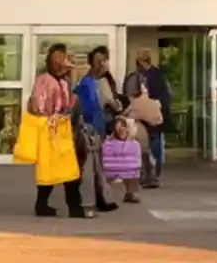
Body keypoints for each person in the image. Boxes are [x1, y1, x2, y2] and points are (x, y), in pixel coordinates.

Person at [27, 43, 87, 217]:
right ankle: (72, 207)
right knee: (61, 170)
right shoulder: (44, 80)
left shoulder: (64, 81)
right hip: (50, 130)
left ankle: (46, 205)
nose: (63, 60)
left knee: (60, 169)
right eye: (60, 57)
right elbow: (39, 105)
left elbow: (69, 105)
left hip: (61, 129)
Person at [72, 55, 118, 213]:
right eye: (103, 62)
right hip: (89, 128)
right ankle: (89, 200)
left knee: (94, 165)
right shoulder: (87, 83)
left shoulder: (92, 82)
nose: (106, 64)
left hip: (94, 127)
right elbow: (87, 107)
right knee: (89, 165)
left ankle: (99, 198)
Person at [123, 47, 170, 188]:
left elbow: (129, 95)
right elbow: (165, 96)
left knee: (143, 147)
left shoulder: (136, 76)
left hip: (142, 116)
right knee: (153, 147)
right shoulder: (157, 75)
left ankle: (146, 175)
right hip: (155, 116)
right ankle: (153, 175)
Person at [101, 116, 144, 204]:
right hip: (130, 171)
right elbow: (138, 160)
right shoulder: (135, 144)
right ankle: (132, 192)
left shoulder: (107, 143)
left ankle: (105, 193)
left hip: (110, 171)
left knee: (103, 175)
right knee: (135, 173)